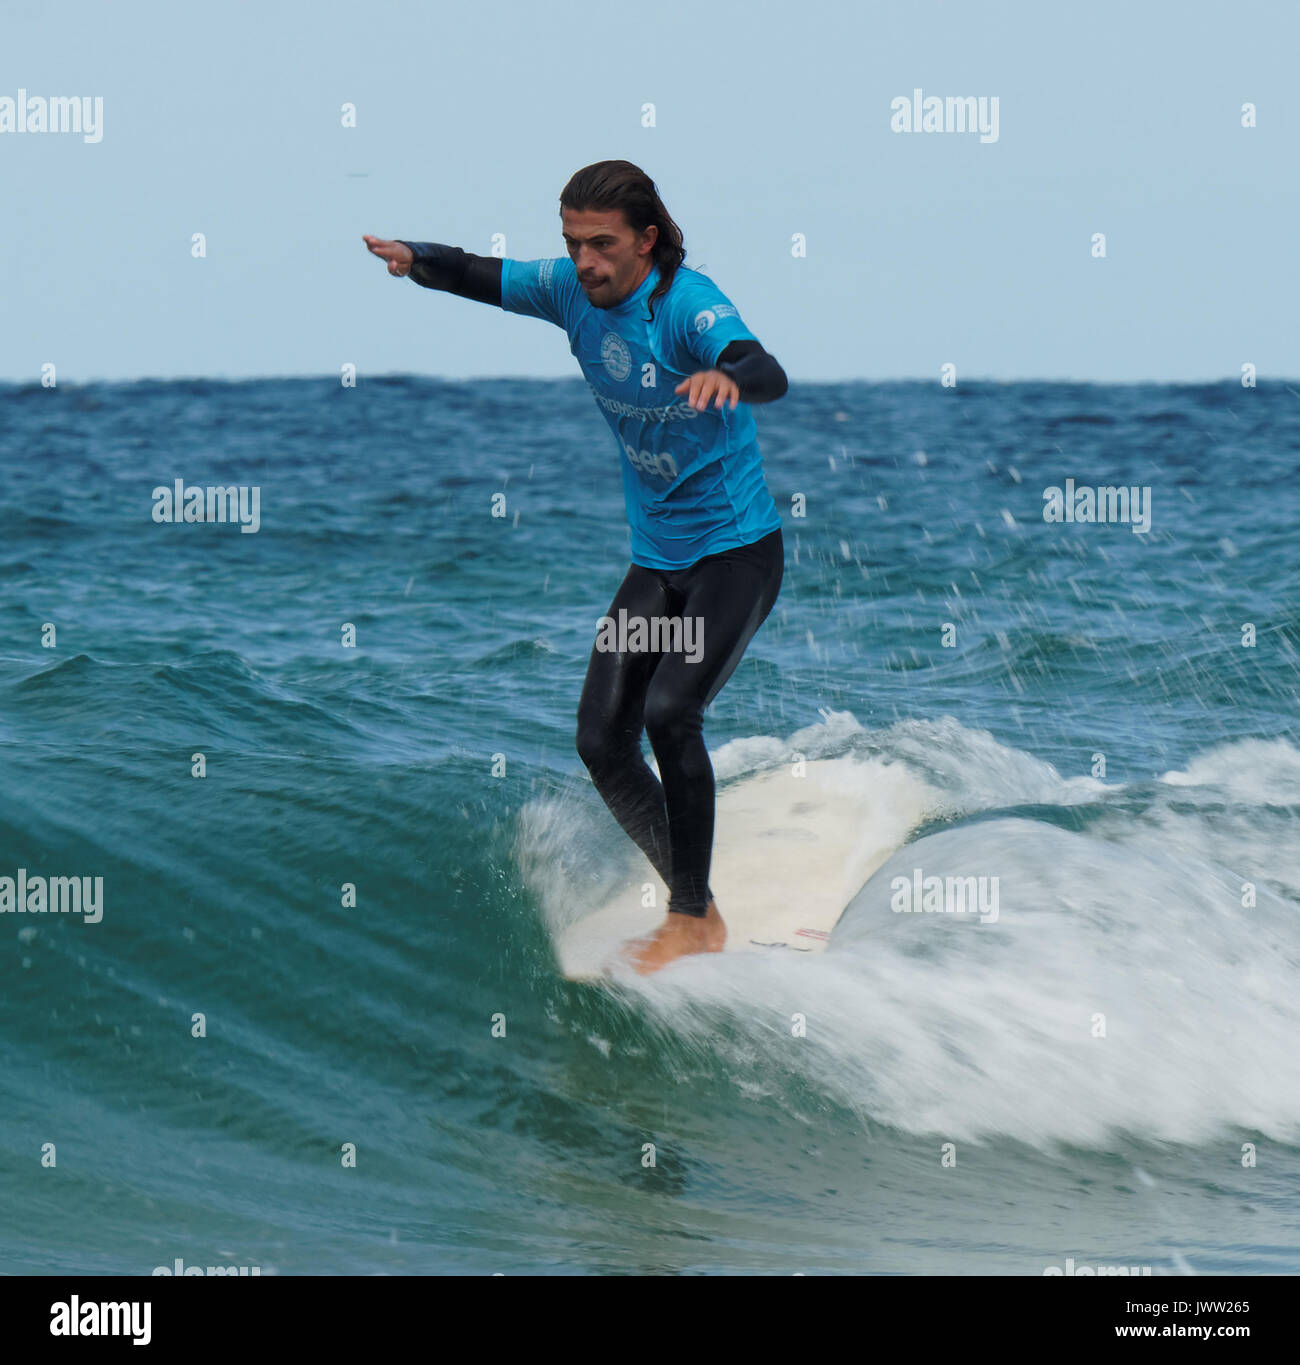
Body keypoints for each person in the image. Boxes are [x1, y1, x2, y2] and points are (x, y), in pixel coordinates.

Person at [364, 159, 787, 973]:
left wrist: (724, 376)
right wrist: (414, 258)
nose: (584, 261)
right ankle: (696, 900)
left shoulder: (685, 305)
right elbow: (476, 273)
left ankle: (691, 916)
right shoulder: (569, 293)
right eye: (572, 242)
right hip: (658, 560)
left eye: (602, 244)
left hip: (736, 554)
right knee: (601, 738)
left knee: (671, 712)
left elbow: (761, 365)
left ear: (647, 241)